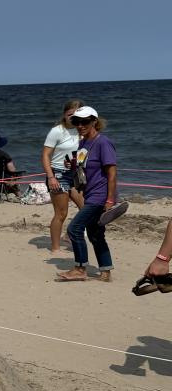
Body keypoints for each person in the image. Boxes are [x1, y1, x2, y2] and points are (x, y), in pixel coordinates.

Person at [57, 106, 117, 283]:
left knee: (74, 229)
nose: (80, 125)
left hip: (100, 195)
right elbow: (84, 167)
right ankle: (106, 272)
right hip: (89, 194)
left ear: (94, 122)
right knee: (95, 234)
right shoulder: (83, 143)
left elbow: (112, 173)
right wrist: (72, 166)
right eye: (76, 122)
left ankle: (80, 268)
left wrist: (110, 199)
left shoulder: (103, 142)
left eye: (84, 121)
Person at [41, 99, 85, 253]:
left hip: (76, 173)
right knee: (61, 213)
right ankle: (55, 248)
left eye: (77, 114)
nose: (73, 117)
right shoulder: (57, 131)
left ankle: (68, 235)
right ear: (65, 115)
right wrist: (51, 177)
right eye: (70, 114)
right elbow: (45, 155)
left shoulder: (83, 130)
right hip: (58, 174)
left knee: (86, 209)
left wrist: (75, 162)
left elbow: (84, 153)